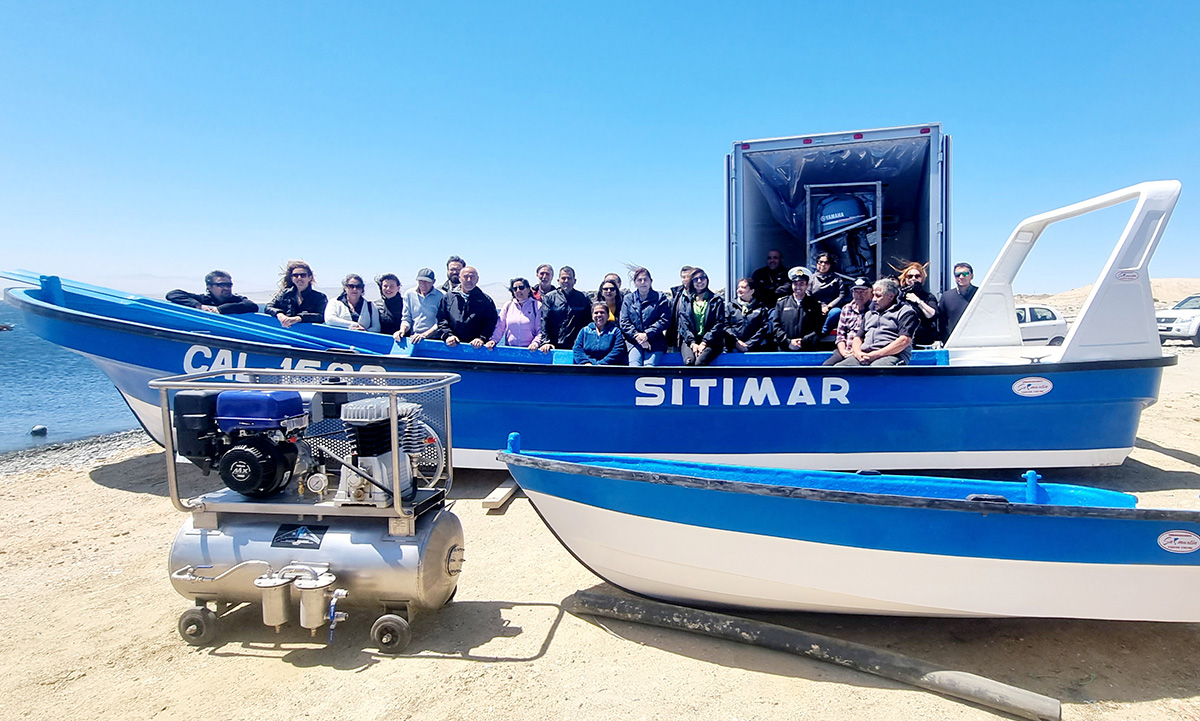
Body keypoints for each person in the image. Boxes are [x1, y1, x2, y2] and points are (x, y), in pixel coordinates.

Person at [836, 278, 919, 366]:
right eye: (873, 295)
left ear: (891, 296)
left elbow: (904, 340)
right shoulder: (869, 313)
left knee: (876, 369)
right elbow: (858, 338)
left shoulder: (906, 312)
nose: (874, 299)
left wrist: (876, 355)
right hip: (865, 354)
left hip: (893, 355)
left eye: (878, 296)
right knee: (839, 368)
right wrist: (858, 353)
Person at [434, 266, 498, 348]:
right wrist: (448, 336)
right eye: (466, 277)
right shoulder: (448, 298)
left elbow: (491, 322)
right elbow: (442, 320)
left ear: (477, 279)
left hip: (476, 349)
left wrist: (481, 338)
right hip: (452, 347)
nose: (469, 280)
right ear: (460, 278)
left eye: (472, 277)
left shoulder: (486, 300)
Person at [619, 266, 671, 366]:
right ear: (635, 282)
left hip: (655, 342)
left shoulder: (660, 298)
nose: (643, 282)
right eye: (639, 280)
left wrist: (646, 334)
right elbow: (624, 322)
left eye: (645, 279)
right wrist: (637, 336)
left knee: (649, 367)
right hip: (634, 341)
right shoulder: (628, 298)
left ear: (651, 281)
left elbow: (664, 320)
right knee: (635, 366)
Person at [676, 267, 726, 366]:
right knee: (689, 361)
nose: (699, 281)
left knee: (700, 362)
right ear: (692, 282)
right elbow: (684, 325)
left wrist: (704, 343)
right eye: (696, 279)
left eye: (702, 278)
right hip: (691, 341)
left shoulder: (716, 300)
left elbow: (719, 324)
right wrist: (693, 344)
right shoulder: (686, 301)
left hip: (711, 341)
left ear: (707, 279)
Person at [537, 266, 591, 351]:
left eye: (569, 278)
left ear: (575, 281)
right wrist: (545, 342)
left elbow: (587, 322)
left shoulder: (583, 298)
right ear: (558, 281)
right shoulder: (550, 298)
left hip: (576, 345)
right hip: (553, 345)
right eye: (563, 278)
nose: (566, 281)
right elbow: (545, 321)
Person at [771, 266, 823, 352]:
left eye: (801, 283)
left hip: (807, 349)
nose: (798, 286)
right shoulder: (781, 303)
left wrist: (803, 342)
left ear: (807, 285)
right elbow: (776, 326)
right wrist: (788, 342)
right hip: (784, 349)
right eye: (795, 283)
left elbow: (818, 328)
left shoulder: (815, 305)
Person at [823, 277, 872, 365]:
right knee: (826, 367)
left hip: (863, 352)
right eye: (856, 292)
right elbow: (841, 334)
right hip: (845, 350)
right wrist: (843, 352)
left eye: (863, 292)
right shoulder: (847, 308)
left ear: (871, 292)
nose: (859, 295)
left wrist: (856, 352)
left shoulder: (874, 310)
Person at [267, 260, 327, 327]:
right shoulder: (285, 294)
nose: (299, 278)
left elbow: (321, 316)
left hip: (309, 333)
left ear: (310, 278)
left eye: (303, 275)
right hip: (287, 332)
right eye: (295, 275)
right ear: (292, 278)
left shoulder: (320, 297)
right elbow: (269, 307)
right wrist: (279, 314)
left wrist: (299, 318)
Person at [166, 270, 258, 315]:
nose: (226, 288)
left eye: (229, 285)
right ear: (209, 287)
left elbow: (252, 306)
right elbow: (173, 294)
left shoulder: (237, 300)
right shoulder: (203, 300)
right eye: (221, 285)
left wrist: (221, 310)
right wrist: (199, 306)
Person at [487, 277, 541, 349]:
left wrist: (535, 343)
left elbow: (540, 329)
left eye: (521, 287)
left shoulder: (537, 306)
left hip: (531, 351)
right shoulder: (508, 305)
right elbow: (500, 326)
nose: (518, 291)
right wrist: (494, 340)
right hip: (511, 350)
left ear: (528, 289)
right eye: (515, 289)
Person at [896, 261, 940, 346]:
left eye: (917, 276)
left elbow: (933, 315)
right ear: (905, 279)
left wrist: (918, 301)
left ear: (922, 278)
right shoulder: (899, 296)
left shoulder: (928, 296)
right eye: (910, 276)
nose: (913, 278)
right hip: (902, 341)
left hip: (923, 341)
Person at [397, 268, 444, 343]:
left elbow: (441, 322)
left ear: (434, 282)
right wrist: (402, 330)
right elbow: (406, 318)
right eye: (420, 281)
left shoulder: (442, 296)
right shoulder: (409, 294)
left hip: (436, 339)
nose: (423, 284)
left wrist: (424, 335)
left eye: (427, 281)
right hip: (414, 338)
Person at [809, 252, 849, 337]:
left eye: (826, 262)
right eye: (820, 262)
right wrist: (818, 306)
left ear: (830, 264)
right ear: (817, 263)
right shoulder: (811, 279)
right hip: (815, 307)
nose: (823, 265)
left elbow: (841, 295)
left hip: (830, 308)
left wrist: (828, 306)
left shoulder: (836, 279)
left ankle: (823, 332)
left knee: (836, 312)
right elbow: (807, 294)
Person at [573, 301, 626, 366]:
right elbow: (577, 349)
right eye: (596, 313)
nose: (599, 315)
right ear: (592, 316)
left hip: (608, 368)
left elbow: (618, 350)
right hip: (586, 368)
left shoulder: (615, 331)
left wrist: (602, 364)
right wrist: (586, 363)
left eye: (602, 312)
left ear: (608, 315)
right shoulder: (584, 331)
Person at [725, 278, 770, 353]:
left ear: (752, 291)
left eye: (743, 287)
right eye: (738, 287)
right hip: (733, 349)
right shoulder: (730, 306)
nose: (739, 290)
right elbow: (725, 325)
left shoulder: (761, 308)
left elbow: (764, 327)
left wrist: (749, 344)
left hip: (755, 349)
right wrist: (736, 342)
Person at [938, 262, 978, 341]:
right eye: (958, 274)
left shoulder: (979, 294)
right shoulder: (946, 296)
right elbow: (941, 322)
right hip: (952, 342)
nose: (961, 277)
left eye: (965, 274)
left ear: (971, 276)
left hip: (976, 340)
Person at [666, 265, 695, 349]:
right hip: (675, 337)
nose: (685, 279)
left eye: (688, 277)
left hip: (691, 339)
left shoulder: (699, 296)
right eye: (683, 277)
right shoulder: (677, 294)